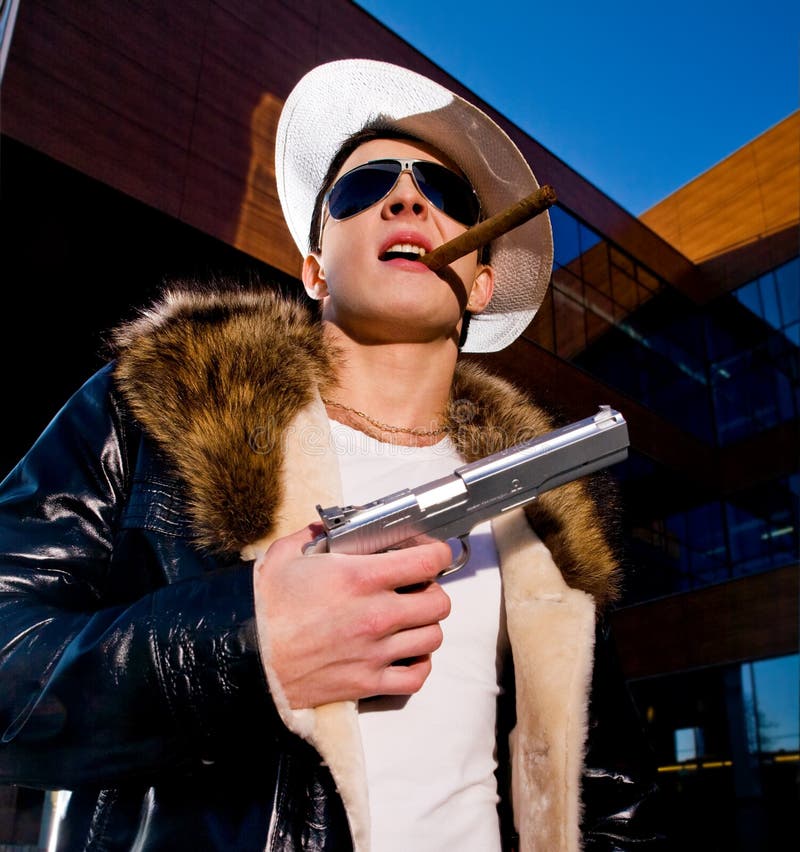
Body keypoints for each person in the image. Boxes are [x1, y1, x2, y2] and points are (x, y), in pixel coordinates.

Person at [0, 59, 666, 851]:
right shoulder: (156, 415)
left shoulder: (545, 527)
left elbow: (613, 809)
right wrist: (247, 641)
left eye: (444, 193)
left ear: (482, 284)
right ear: (314, 270)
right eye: (363, 188)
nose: (407, 199)